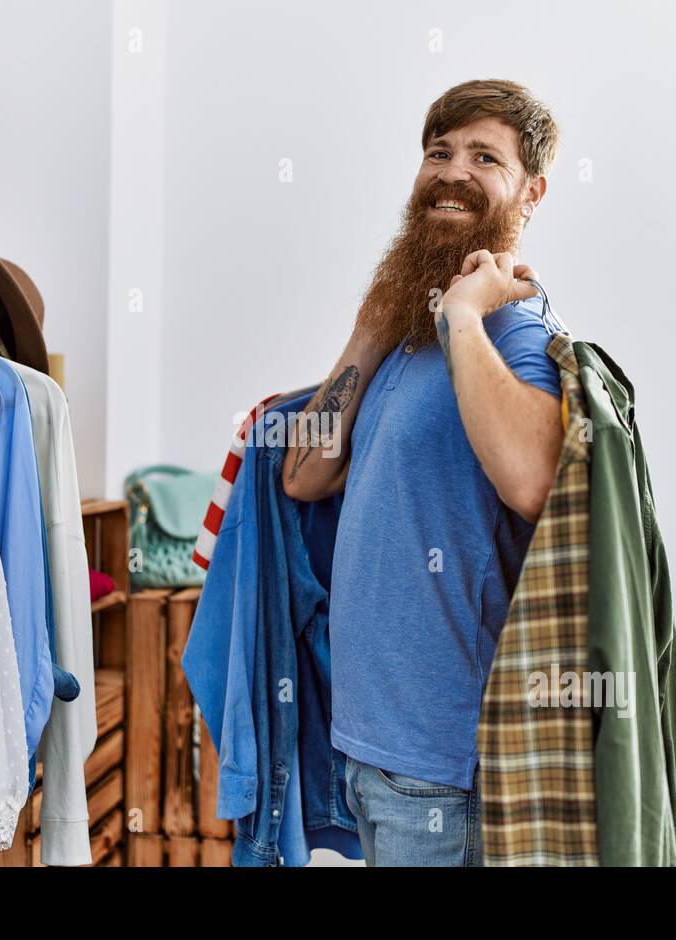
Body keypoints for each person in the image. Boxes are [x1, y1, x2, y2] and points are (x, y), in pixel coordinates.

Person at [282, 78, 565, 866]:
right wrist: (370, 332)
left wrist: (468, 315)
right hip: (371, 749)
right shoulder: (410, 341)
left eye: (485, 157)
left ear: (531, 193)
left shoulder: (518, 333)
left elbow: (531, 481)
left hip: (446, 766)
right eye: (438, 152)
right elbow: (304, 476)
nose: (452, 171)